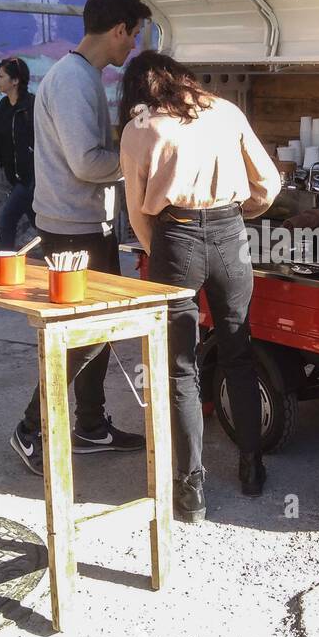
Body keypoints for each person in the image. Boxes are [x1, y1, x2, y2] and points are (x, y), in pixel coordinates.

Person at [119, 50, 281, 522]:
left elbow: (136, 210)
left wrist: (162, 249)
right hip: (231, 234)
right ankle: (252, 467)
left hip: (175, 236)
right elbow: (268, 183)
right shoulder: (225, 111)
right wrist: (238, 216)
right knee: (238, 352)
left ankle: (191, 491)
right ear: (182, 79)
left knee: (180, 368)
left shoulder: (140, 128)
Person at [8, 0, 151, 474]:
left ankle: (90, 425)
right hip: (73, 229)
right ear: (118, 30)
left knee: (98, 331)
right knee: (84, 335)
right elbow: (87, 163)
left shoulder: (83, 74)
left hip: (86, 222)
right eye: (135, 34)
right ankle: (29, 428)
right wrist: (138, 163)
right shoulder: (72, 79)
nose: (135, 45)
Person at [0, 57, 36, 252]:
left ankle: (5, 260)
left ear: (15, 80)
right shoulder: (2, 108)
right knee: (38, 223)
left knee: (7, 219)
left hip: (32, 178)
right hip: (15, 178)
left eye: (1, 76)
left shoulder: (32, 106)